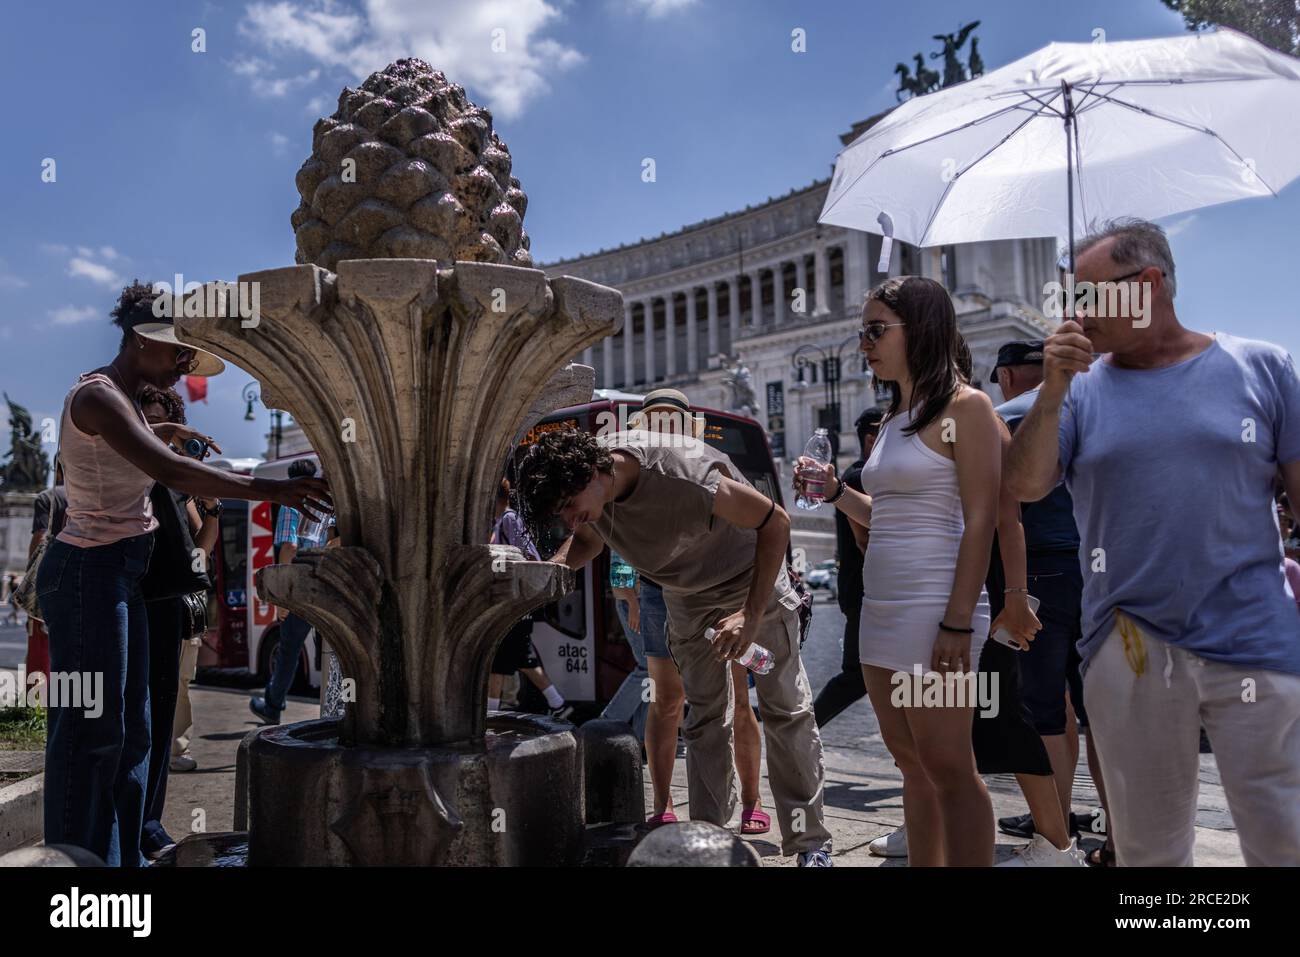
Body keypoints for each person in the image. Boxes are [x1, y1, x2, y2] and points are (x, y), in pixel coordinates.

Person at [1005, 218, 1300, 866]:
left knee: (1285, 836)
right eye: (1068, 299)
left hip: (1255, 637)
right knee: (1149, 852)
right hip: (1129, 645)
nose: (1075, 312)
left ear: (1147, 284)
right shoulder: (1079, 392)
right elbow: (1024, 485)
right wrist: (1050, 392)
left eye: (1087, 295)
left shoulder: (1263, 367)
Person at [36, 280, 330, 867]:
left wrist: (169, 430)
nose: (181, 370)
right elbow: (172, 472)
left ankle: (122, 861)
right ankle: (75, 869)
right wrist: (277, 490)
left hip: (125, 572)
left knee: (137, 729)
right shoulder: (98, 396)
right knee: (92, 729)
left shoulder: (124, 396)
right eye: (178, 355)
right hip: (88, 572)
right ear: (143, 340)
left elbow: (145, 446)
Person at [517, 422, 833, 865]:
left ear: (594, 474)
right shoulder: (592, 490)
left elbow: (775, 522)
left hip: (750, 582)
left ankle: (809, 844)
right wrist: (549, 573)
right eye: (561, 515)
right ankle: (706, 844)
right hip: (686, 597)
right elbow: (588, 537)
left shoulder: (684, 476)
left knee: (785, 711)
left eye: (571, 506)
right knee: (705, 717)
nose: (569, 520)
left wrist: (750, 615)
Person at [800, 276, 1037, 867]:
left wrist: (958, 622)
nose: (864, 343)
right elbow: (890, 518)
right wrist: (836, 493)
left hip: (938, 610)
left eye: (877, 330)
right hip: (884, 609)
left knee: (950, 767)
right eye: (863, 331)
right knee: (910, 763)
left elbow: (982, 520)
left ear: (922, 329)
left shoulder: (968, 407)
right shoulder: (895, 417)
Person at [605, 390, 768, 834]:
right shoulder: (632, 467)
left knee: (736, 695)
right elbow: (620, 548)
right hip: (659, 594)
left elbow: (752, 525)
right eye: (655, 419)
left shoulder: (701, 463)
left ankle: (751, 800)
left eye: (671, 420)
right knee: (667, 697)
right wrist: (632, 598)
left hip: (720, 585)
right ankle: (662, 802)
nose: (663, 427)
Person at [992, 339, 1113, 866]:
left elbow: (994, 511)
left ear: (1007, 375)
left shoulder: (1004, 417)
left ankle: (1055, 833)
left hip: (1036, 573)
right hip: (1099, 570)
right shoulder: (1098, 408)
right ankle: (1120, 837)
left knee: (1040, 711)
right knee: (1102, 714)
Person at [137, 385, 220, 859]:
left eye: (162, 423)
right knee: (131, 720)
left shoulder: (175, 478)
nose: (154, 433)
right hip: (129, 599)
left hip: (168, 604)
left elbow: (200, 537)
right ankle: (130, 823)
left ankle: (149, 822)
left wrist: (210, 504)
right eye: (145, 422)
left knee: (162, 713)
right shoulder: (125, 464)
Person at [251, 458, 333, 725]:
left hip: (298, 585)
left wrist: (282, 596)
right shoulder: (325, 504)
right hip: (323, 580)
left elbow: (289, 547)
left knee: (289, 648)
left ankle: (273, 706)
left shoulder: (292, 503)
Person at [813, 408, 881, 726]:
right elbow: (864, 540)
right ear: (871, 438)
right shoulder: (858, 478)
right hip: (865, 593)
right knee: (857, 675)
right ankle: (802, 729)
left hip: (865, 591)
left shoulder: (864, 475)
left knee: (878, 675)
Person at [486, 478, 573, 720]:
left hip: (515, 601)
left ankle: (490, 714)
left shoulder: (509, 519)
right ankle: (557, 704)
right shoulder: (500, 521)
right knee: (515, 657)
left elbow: (529, 556)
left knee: (503, 659)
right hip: (511, 602)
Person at [25, 459, 67, 696]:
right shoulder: (97, 497)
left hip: (50, 579)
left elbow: (40, 538)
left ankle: (37, 700)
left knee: (40, 639)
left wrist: (30, 579)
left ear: (59, 470)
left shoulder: (47, 498)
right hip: (86, 577)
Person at [600, 548, 650, 742]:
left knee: (651, 668)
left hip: (639, 601)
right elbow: (620, 573)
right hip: (634, 602)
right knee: (647, 667)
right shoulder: (624, 526)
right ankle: (607, 723)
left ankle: (640, 735)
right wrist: (633, 606)